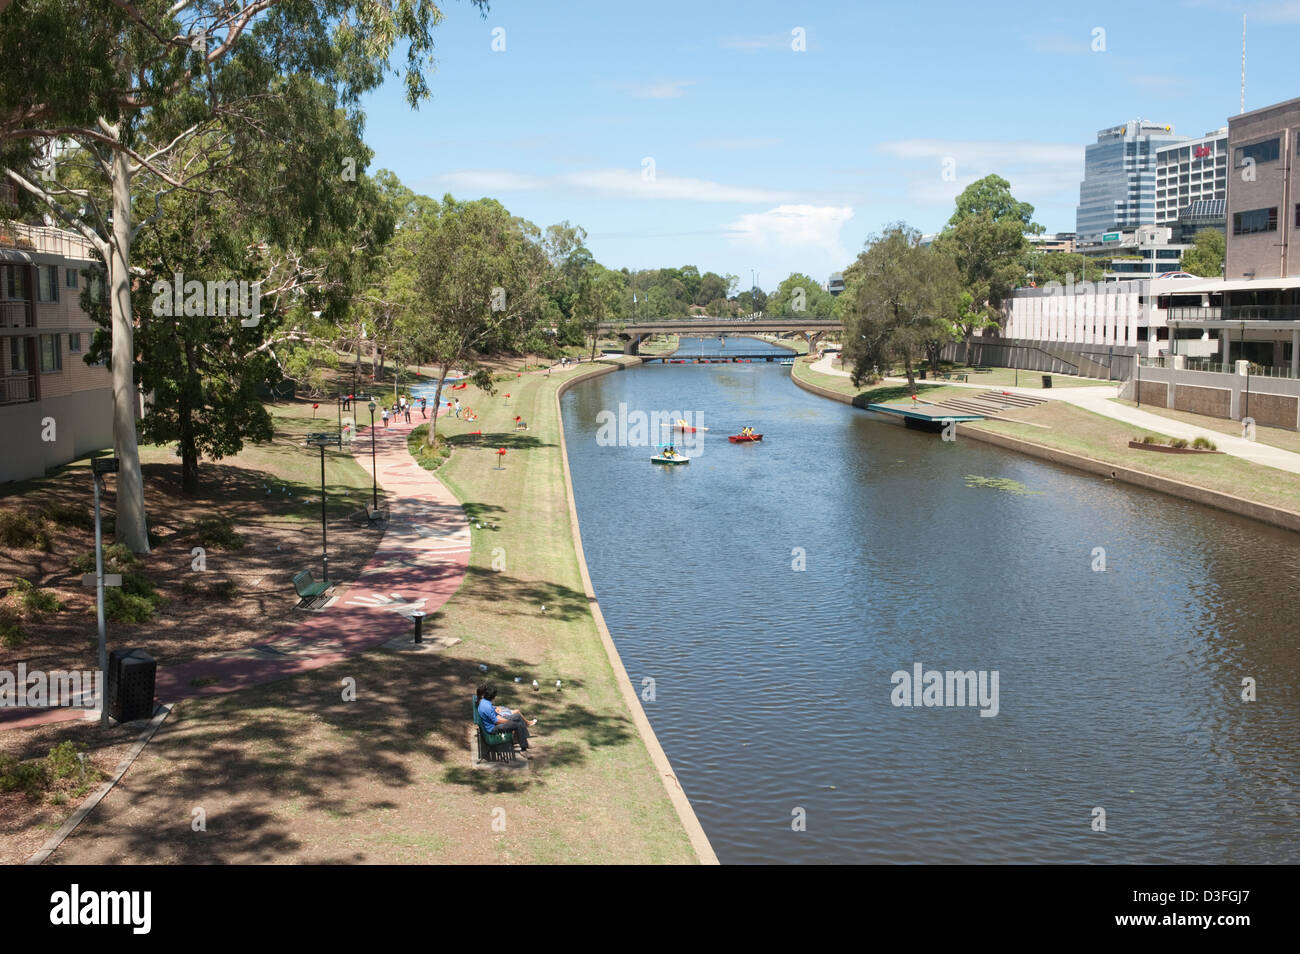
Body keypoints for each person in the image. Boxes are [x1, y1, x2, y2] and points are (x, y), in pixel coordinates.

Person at [476, 683, 535, 751]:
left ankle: (523, 741)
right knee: (518, 724)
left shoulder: (485, 701)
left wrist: (501, 716)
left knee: (518, 716)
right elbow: (497, 721)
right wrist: (509, 722)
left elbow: (495, 716)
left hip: (494, 722)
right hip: (493, 728)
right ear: (493, 697)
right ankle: (524, 749)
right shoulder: (487, 706)